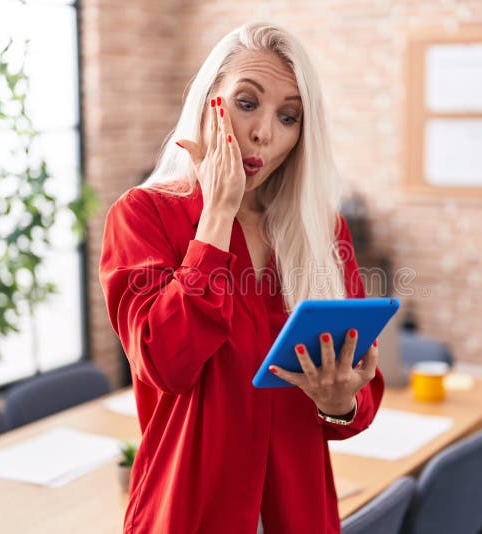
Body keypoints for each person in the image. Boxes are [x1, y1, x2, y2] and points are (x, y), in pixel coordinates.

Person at [99, 21, 384, 534]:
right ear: (210, 101)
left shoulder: (322, 230)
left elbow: (361, 397)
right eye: (247, 103)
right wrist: (216, 218)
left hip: (296, 512)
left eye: (288, 116)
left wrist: (339, 402)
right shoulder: (142, 216)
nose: (263, 133)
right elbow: (165, 362)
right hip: (190, 509)